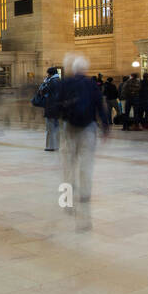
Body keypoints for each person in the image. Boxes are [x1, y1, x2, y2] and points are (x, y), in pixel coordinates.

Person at [56, 57, 109, 231]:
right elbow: (100, 106)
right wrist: (105, 127)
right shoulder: (91, 84)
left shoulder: (65, 83)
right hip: (88, 129)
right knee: (86, 165)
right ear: (85, 69)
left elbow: (57, 105)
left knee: (68, 166)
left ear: (73, 68)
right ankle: (85, 196)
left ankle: (67, 201)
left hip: (69, 128)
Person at [33, 67, 62, 150]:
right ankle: (57, 145)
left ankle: (50, 146)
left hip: (50, 107)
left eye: (48, 74)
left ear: (50, 74)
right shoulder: (60, 81)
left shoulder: (51, 82)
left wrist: (44, 83)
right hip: (58, 107)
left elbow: (42, 91)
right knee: (57, 127)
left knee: (50, 128)